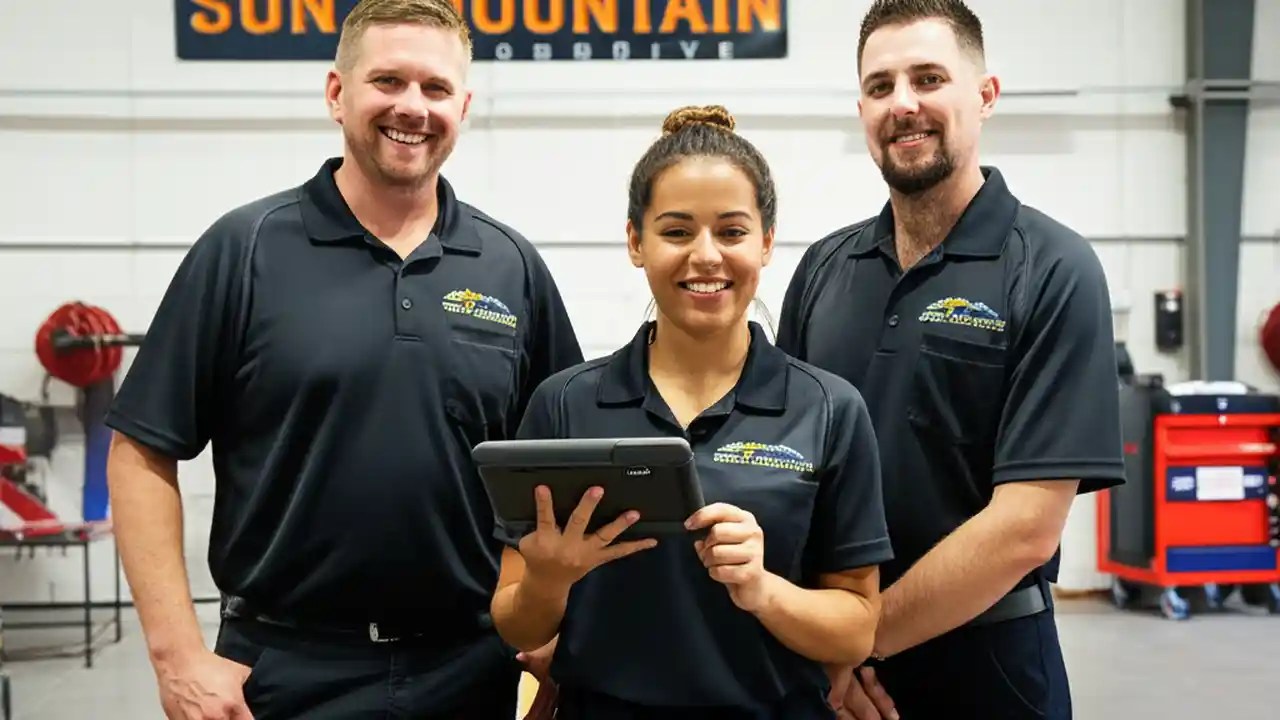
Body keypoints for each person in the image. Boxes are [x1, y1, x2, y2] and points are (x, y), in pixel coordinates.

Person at [103, 1, 582, 718]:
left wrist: (556, 629)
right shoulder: (246, 250)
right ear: (337, 93)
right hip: (283, 671)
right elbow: (142, 450)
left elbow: (558, 474)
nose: (411, 108)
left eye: (435, 88)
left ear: (465, 105)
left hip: (468, 667)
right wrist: (177, 659)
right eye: (387, 81)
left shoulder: (510, 267)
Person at [775, 1, 1126, 718]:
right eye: (880, 86)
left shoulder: (1054, 268)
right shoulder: (823, 269)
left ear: (985, 95)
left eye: (928, 78)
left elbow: (1026, 527)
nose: (903, 104)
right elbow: (784, 466)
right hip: (832, 675)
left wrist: (859, 643)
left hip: (987, 668)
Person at [489, 105, 894, 720]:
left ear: (765, 243)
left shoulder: (830, 408)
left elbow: (856, 629)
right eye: (676, 231)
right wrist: (549, 580)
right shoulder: (565, 403)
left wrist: (763, 590)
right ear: (635, 242)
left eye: (731, 232)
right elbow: (516, 624)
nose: (706, 256)